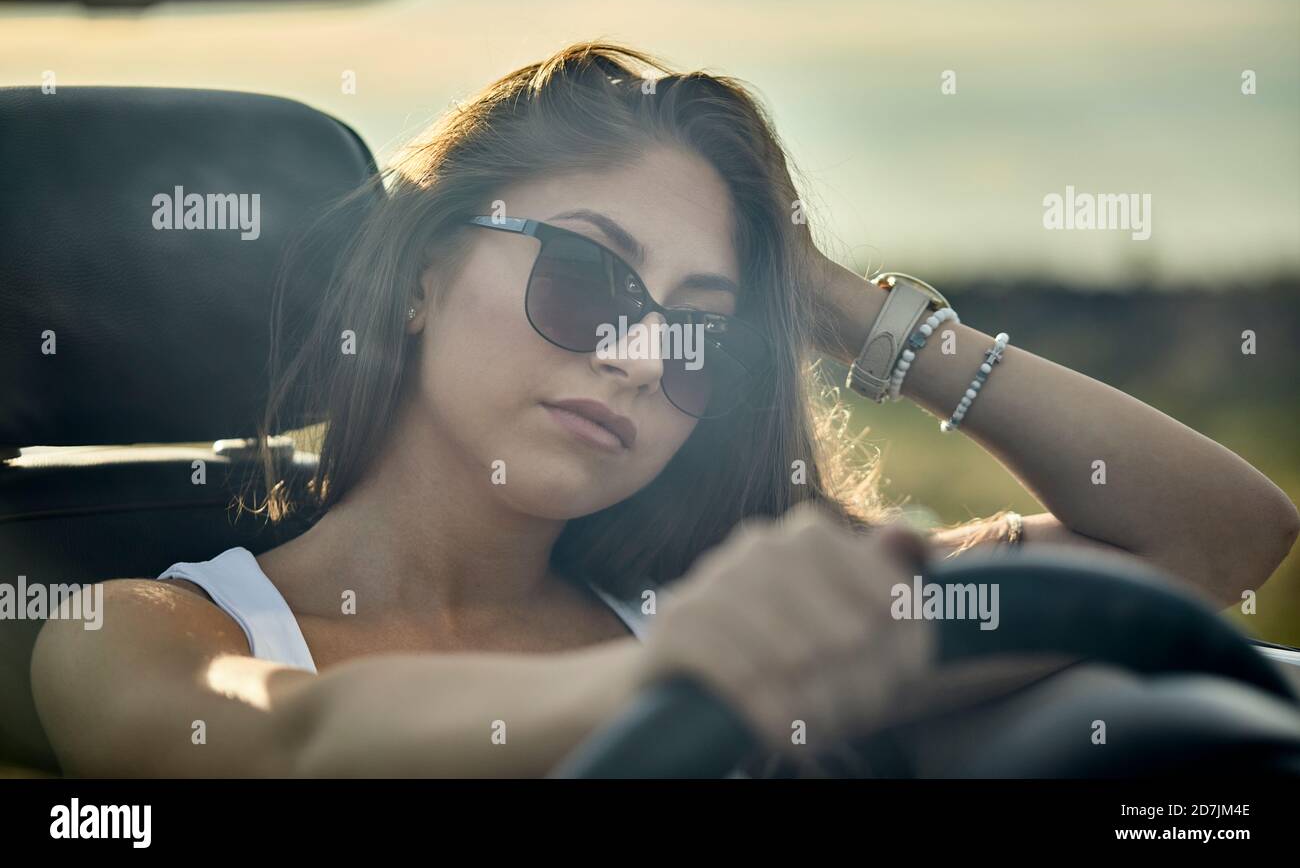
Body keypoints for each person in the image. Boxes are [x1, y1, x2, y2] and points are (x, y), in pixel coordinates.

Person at [30, 42, 1299, 778]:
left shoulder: (741, 600)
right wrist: (684, 680)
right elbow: (291, 743)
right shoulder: (136, 630)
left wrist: (842, 309)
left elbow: (1212, 540)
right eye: (590, 274)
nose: (644, 357)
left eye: (702, 325)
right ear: (420, 276)